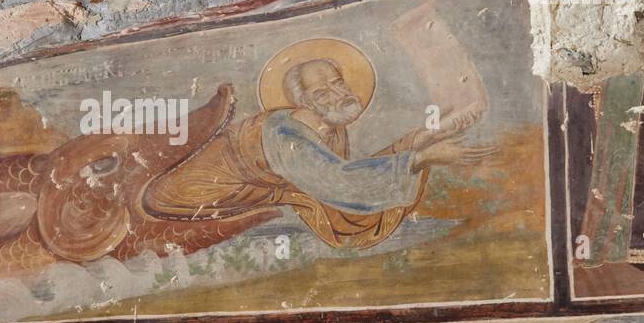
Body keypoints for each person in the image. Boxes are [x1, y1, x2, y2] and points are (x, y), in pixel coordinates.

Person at [144, 43, 492, 253]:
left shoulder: (328, 127)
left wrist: (424, 138)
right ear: (304, 102)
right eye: (321, 92)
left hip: (249, 192)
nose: (338, 94)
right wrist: (421, 158)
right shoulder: (284, 135)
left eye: (337, 82)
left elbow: (350, 172)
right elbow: (337, 182)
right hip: (185, 196)